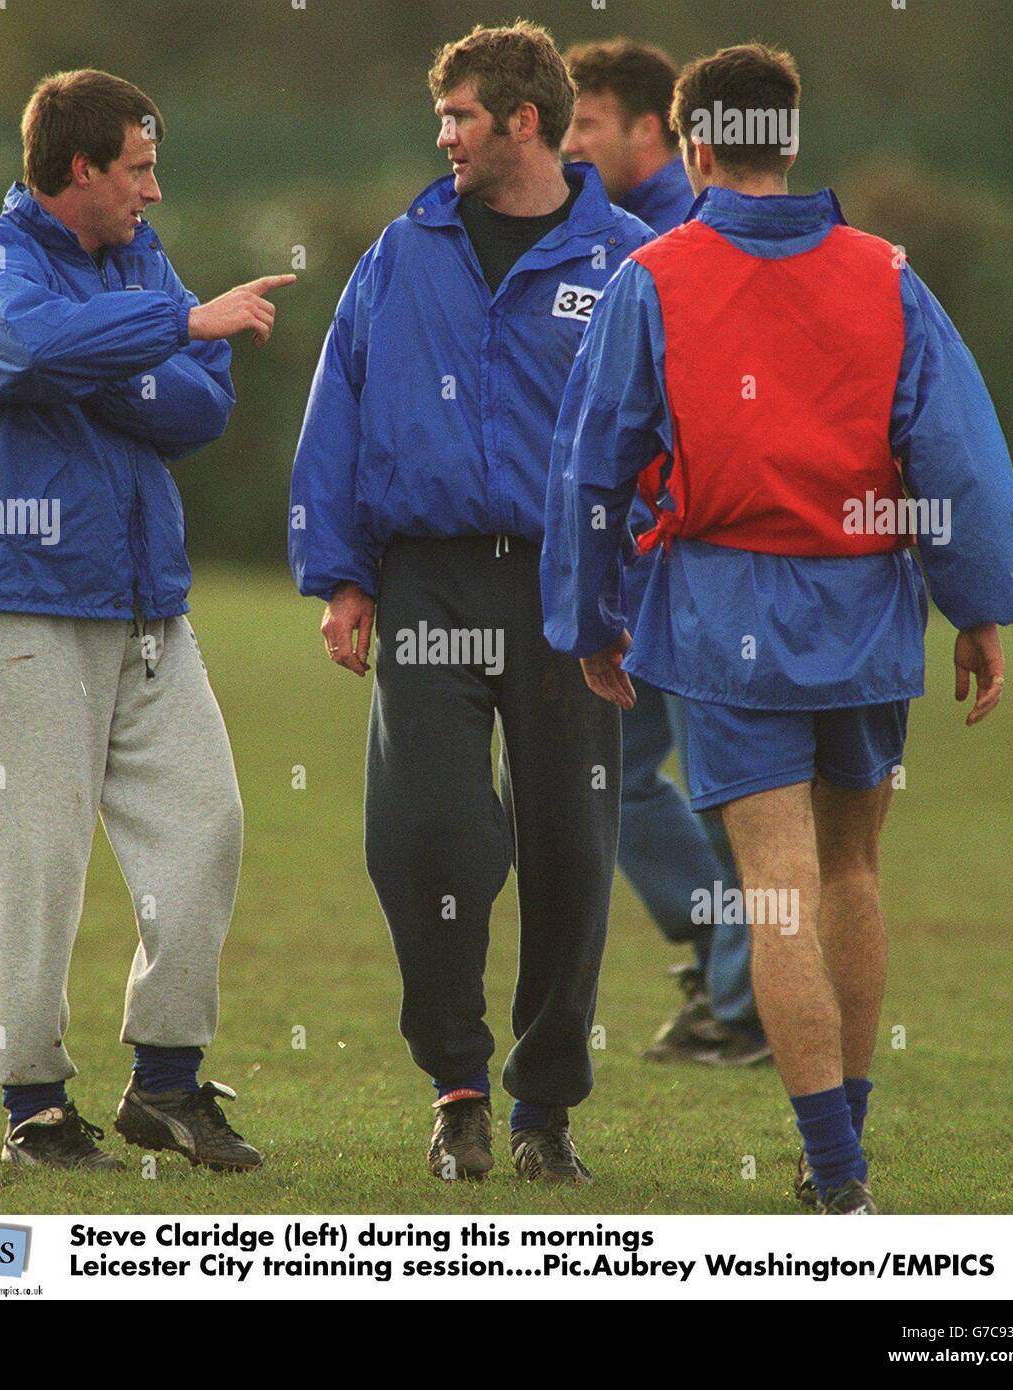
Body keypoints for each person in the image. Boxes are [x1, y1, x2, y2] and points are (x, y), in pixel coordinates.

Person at [541, 43, 1013, 1212]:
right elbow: (955, 456)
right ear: (790, 141)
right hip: (865, 609)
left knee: (776, 889)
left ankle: (838, 1171)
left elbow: (590, 468)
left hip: (724, 612)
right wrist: (976, 604)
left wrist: (586, 615)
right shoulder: (888, 274)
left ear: (694, 147)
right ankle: (837, 1157)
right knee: (853, 872)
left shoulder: (651, 280)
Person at [289, 22, 651, 1184]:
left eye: (457, 116)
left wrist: (634, 589)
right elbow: (336, 406)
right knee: (428, 836)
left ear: (523, 122)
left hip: (570, 586)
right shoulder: (400, 251)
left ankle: (544, 1110)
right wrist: (343, 575)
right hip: (431, 577)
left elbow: (666, 447)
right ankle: (456, 1086)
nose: (439, 136)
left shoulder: (631, 263)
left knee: (569, 848)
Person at [0, 68, 295, 1171]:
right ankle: (34, 1103)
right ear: (79, 168)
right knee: (35, 863)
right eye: (138, 169)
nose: (155, 192)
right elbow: (32, 349)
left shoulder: (130, 256)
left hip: (146, 603)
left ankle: (166, 1083)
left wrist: (108, 356)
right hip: (20, 596)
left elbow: (200, 401)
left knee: (208, 824)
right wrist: (167, 324)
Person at [563, 37, 766, 1067]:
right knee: (621, 773)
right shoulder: (605, 233)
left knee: (720, 777)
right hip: (649, 557)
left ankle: (740, 999)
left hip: (689, 556)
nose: (569, 145)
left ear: (660, 134)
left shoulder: (684, 245)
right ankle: (723, 957)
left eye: (587, 125)